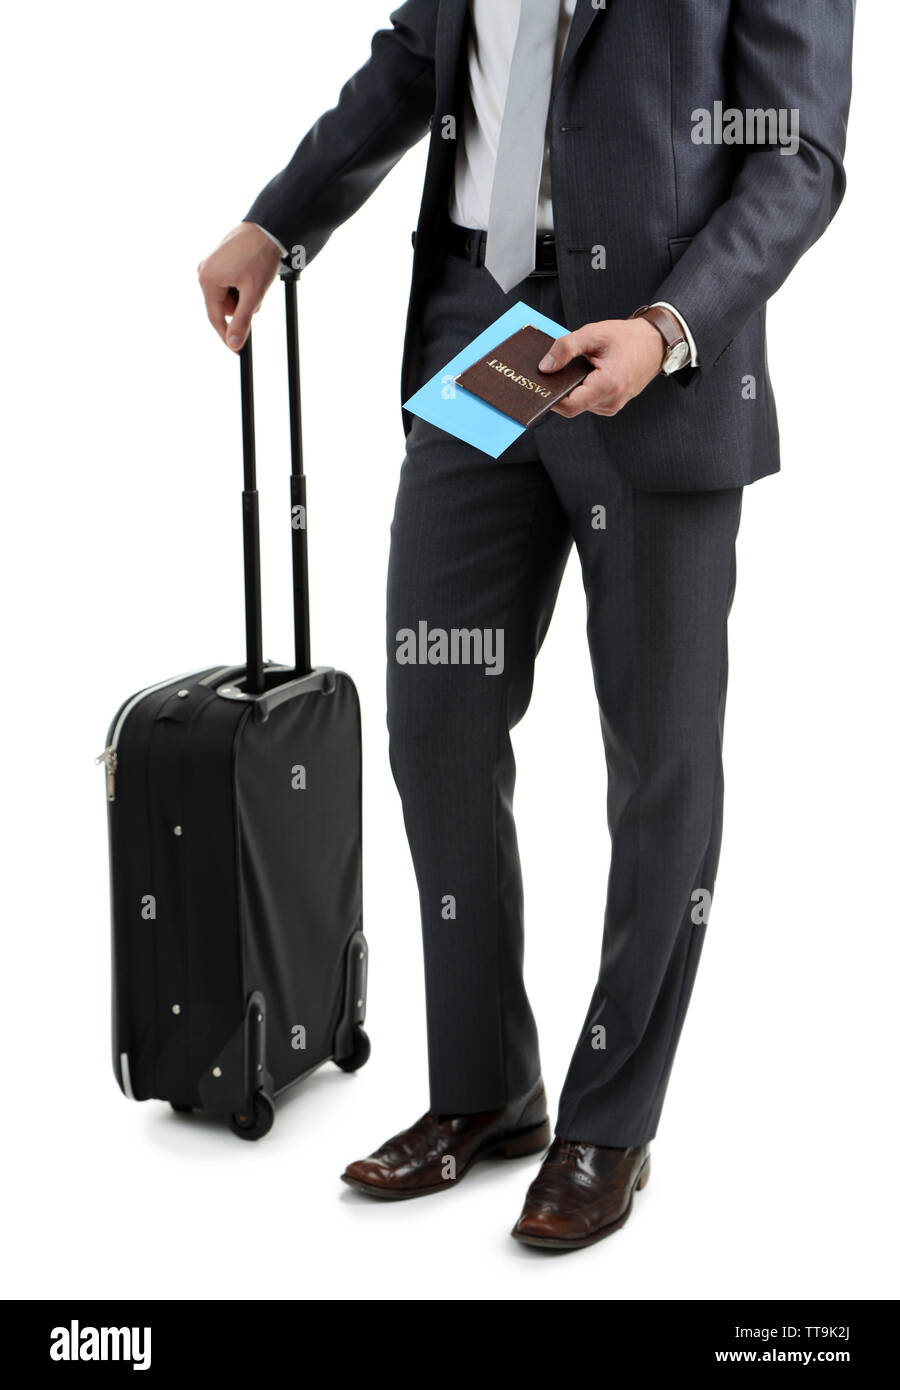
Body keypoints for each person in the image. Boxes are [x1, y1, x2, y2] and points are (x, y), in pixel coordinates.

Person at [198, 0, 853, 1251]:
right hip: (481, 325)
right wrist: (278, 218)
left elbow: (800, 153)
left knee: (659, 759)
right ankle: (486, 1085)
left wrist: (671, 329)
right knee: (434, 714)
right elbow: (418, 57)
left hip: (655, 351)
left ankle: (610, 1120)